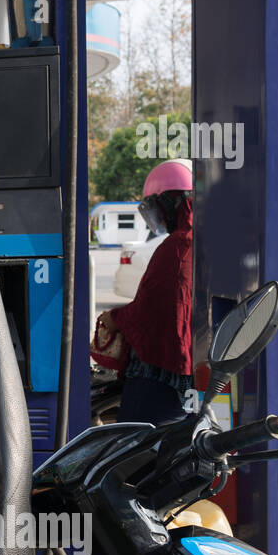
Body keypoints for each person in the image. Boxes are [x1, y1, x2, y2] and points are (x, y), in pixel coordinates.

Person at [109, 158, 194, 425]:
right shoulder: (207, 238)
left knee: (131, 447)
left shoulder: (177, 247)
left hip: (160, 377)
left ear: (169, 204)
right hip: (194, 374)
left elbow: (153, 313)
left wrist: (115, 318)